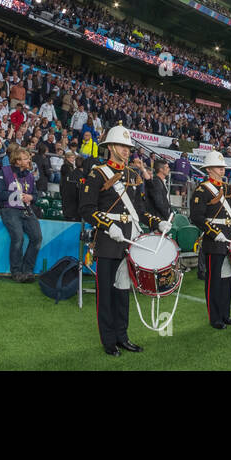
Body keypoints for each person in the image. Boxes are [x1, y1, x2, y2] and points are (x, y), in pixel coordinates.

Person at [78, 124, 164, 356]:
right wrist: (108, 225)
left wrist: (157, 222)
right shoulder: (97, 173)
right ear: (110, 147)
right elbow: (87, 209)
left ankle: (122, 336)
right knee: (105, 293)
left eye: (128, 147)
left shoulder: (133, 176)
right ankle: (108, 341)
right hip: (107, 240)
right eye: (122, 146)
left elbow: (140, 210)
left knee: (123, 291)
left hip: (129, 240)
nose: (126, 151)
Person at [189, 149, 231, 329]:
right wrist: (214, 233)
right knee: (214, 280)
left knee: (227, 278)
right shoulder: (202, 189)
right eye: (218, 167)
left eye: (223, 168)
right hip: (213, 241)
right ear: (209, 170)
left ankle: (225, 314)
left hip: (229, 238)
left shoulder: (228, 189)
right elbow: (197, 217)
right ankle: (215, 318)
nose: (222, 170)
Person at [0, 145, 43, 283]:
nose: (29, 161)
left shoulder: (30, 176)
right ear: (17, 161)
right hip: (9, 209)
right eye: (26, 158)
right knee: (18, 237)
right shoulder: (5, 171)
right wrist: (18, 195)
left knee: (37, 237)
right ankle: (16, 272)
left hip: (26, 210)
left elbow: (35, 195)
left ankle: (27, 271)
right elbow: (0, 193)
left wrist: (31, 198)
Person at [146, 158, 172, 222]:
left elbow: (165, 200)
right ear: (161, 169)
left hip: (162, 217)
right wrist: (167, 216)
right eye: (167, 167)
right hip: (158, 219)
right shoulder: (156, 182)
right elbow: (159, 203)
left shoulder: (161, 181)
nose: (169, 169)